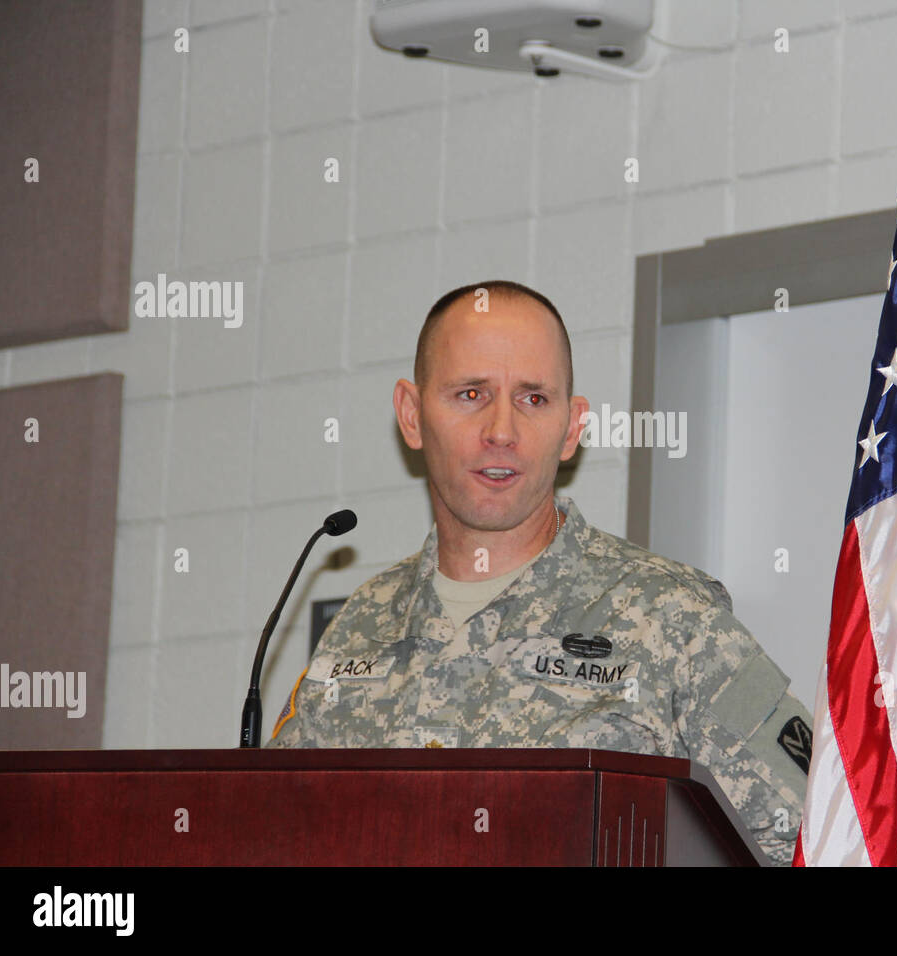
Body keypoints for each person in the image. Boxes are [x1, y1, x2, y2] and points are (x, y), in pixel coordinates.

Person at [267, 280, 812, 865]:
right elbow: (266, 833)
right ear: (412, 414)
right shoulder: (362, 624)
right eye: (471, 393)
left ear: (572, 428)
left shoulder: (672, 620)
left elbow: (825, 840)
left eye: (533, 399)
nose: (501, 430)